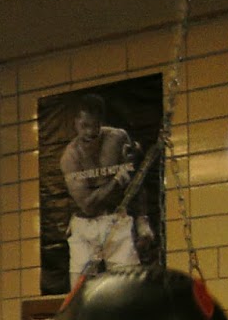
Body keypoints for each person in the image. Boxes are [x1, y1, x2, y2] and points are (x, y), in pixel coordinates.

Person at [58, 93, 157, 282]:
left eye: (94, 126)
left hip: (117, 218)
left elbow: (137, 181)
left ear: (101, 121)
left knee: (128, 288)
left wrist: (142, 219)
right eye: (84, 126)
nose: (89, 132)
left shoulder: (117, 138)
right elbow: (88, 204)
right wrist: (116, 182)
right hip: (85, 226)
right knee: (81, 295)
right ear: (75, 122)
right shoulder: (70, 157)